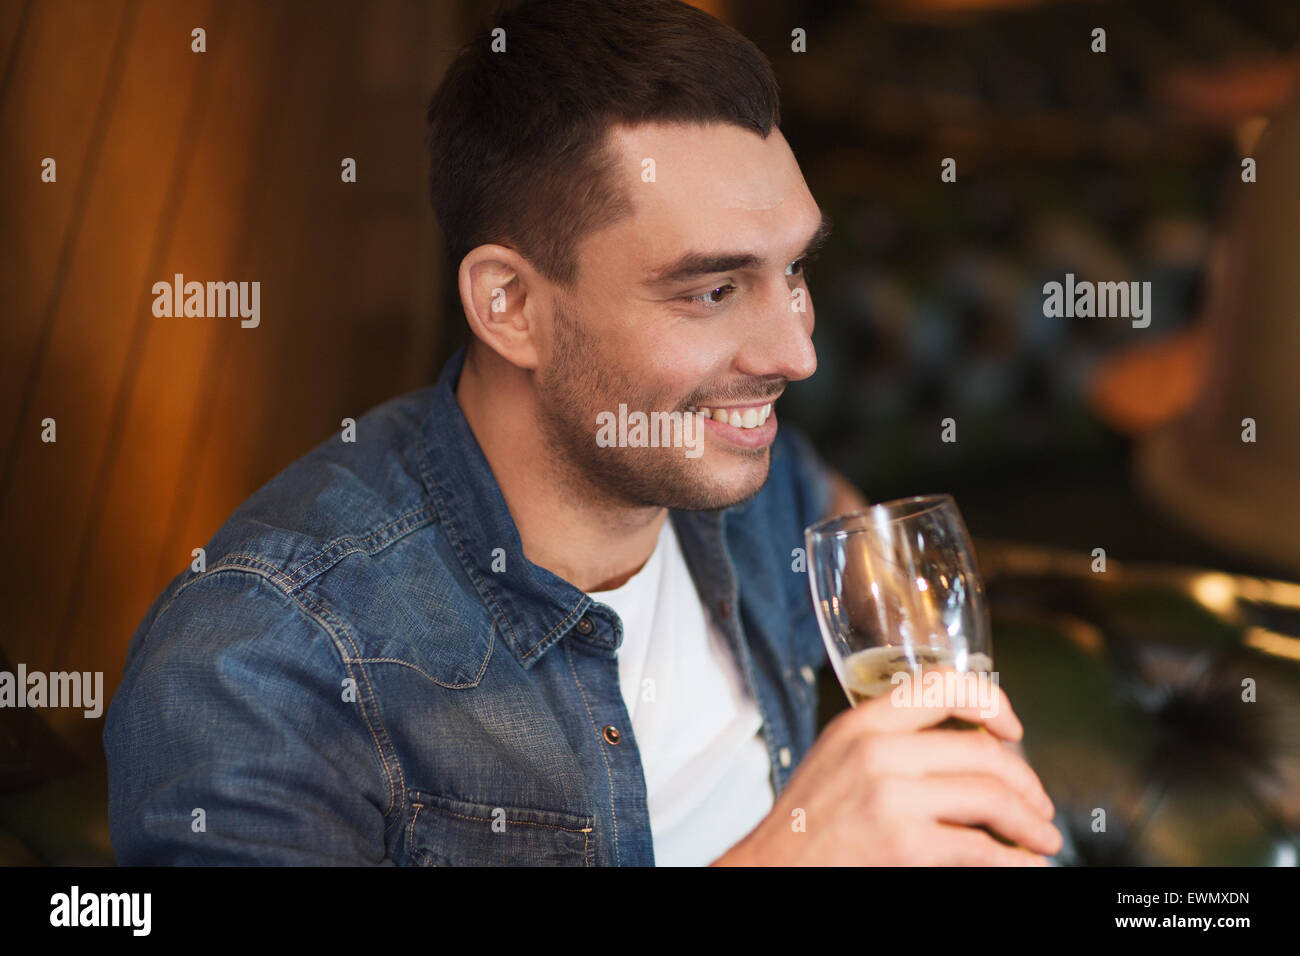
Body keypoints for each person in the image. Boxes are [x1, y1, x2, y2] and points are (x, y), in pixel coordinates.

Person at [104, 0, 1061, 866]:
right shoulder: (269, 659)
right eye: (714, 290)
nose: (794, 353)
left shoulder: (755, 482)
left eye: (796, 273)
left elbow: (876, 566)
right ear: (510, 304)